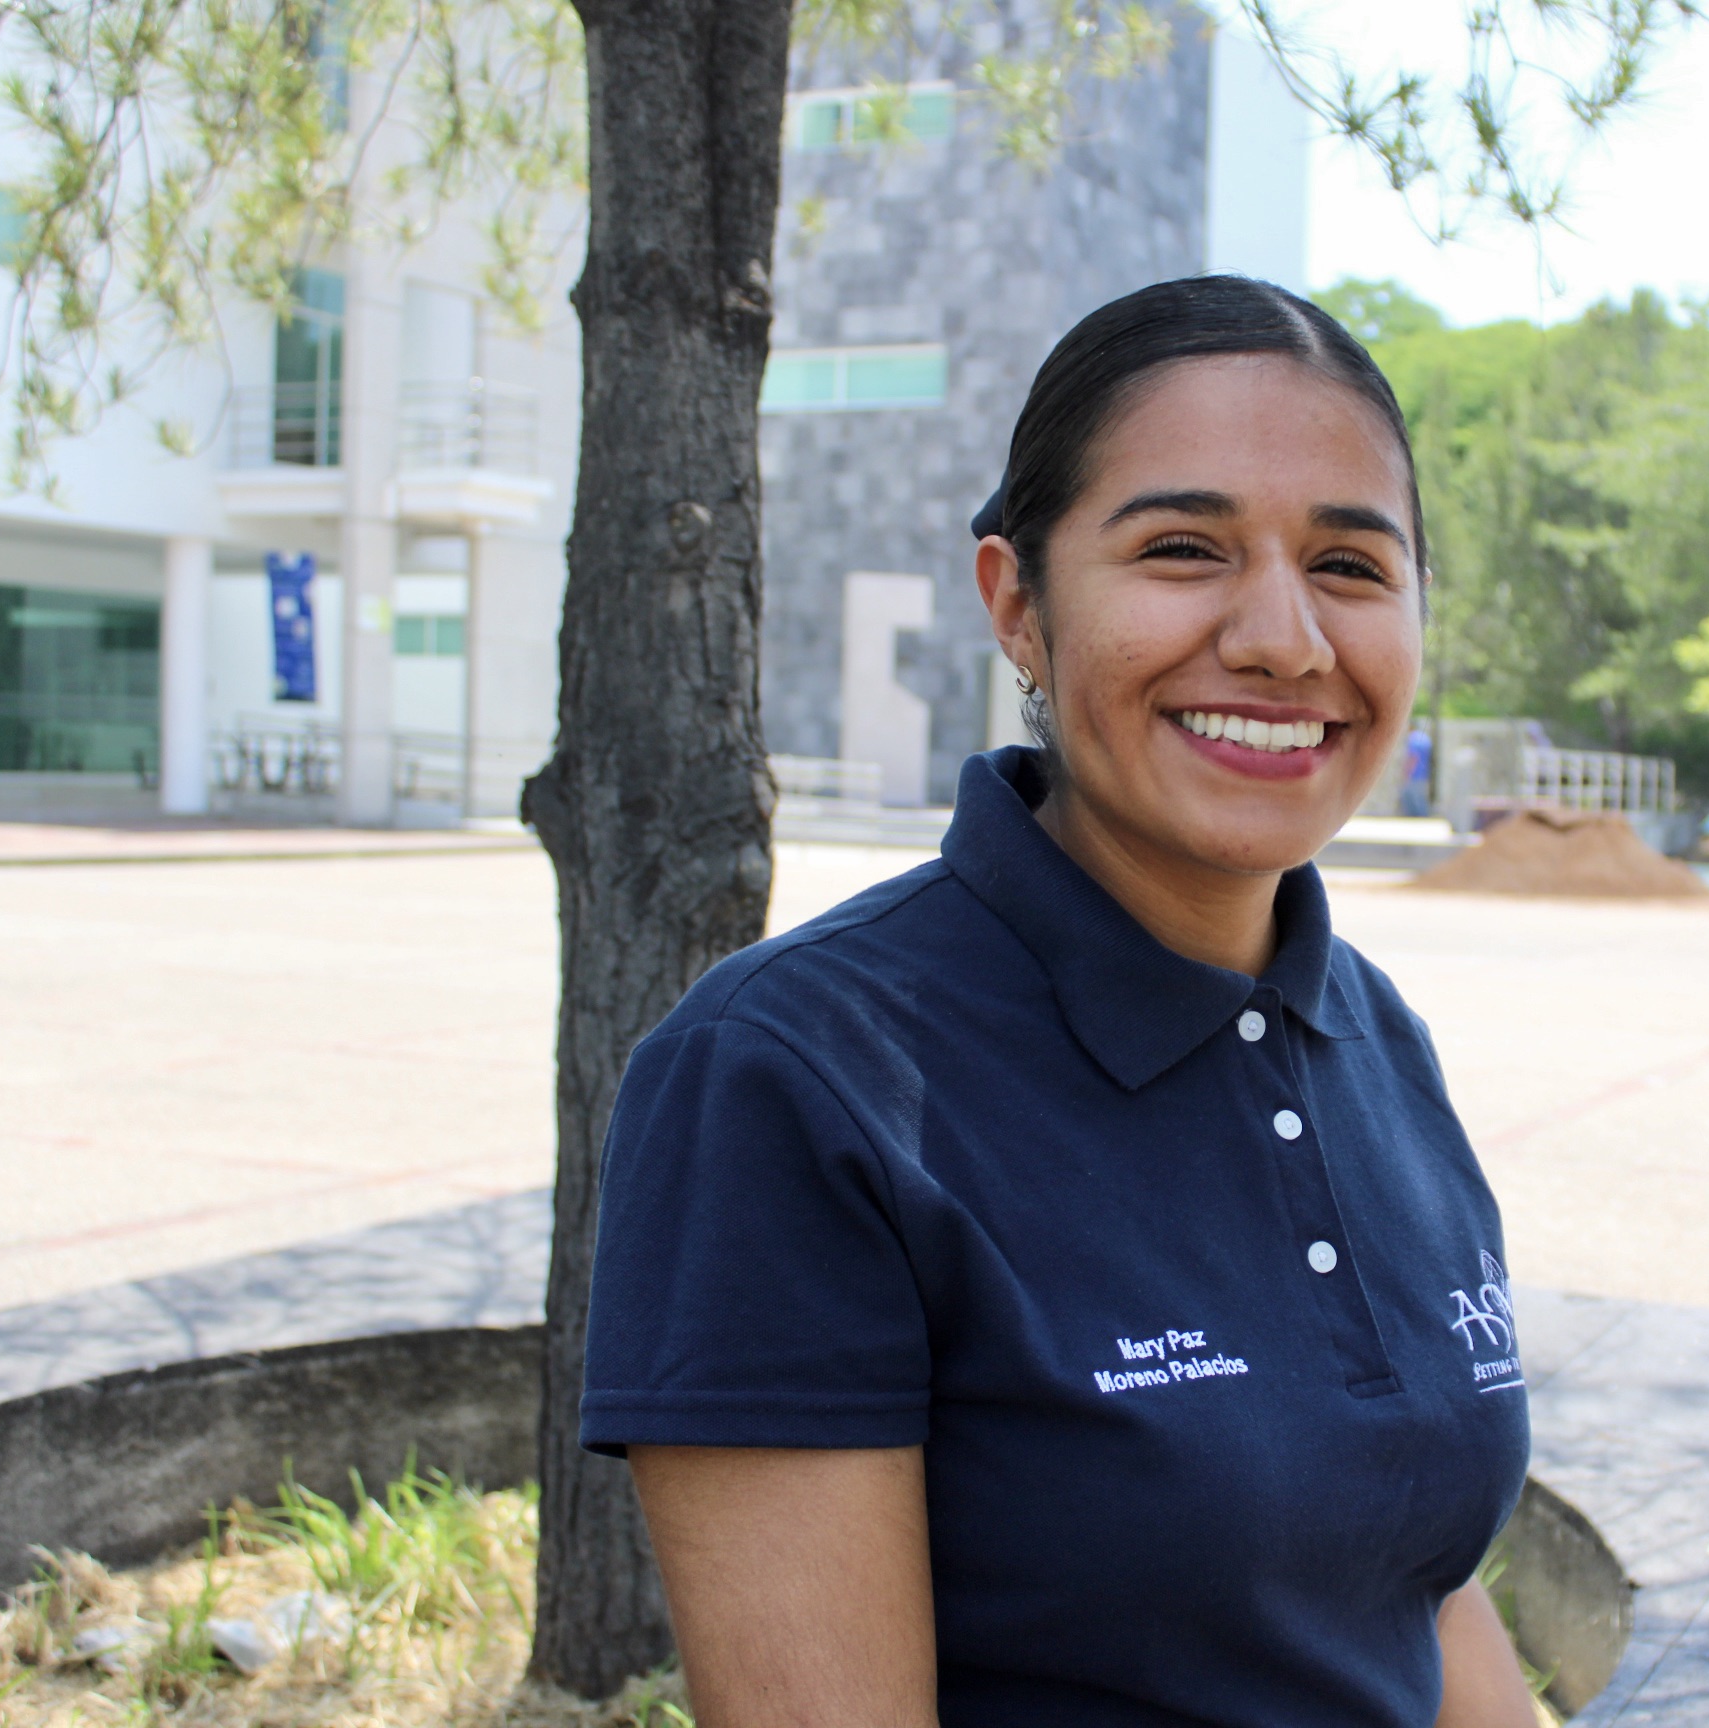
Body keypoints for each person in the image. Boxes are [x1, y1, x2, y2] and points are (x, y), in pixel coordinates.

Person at [581, 276, 1538, 1728]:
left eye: (1350, 564)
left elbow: (1420, 1586)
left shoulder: (1375, 1034)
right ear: (1018, 605)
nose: (1285, 639)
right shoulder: (788, 1078)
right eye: (1182, 548)